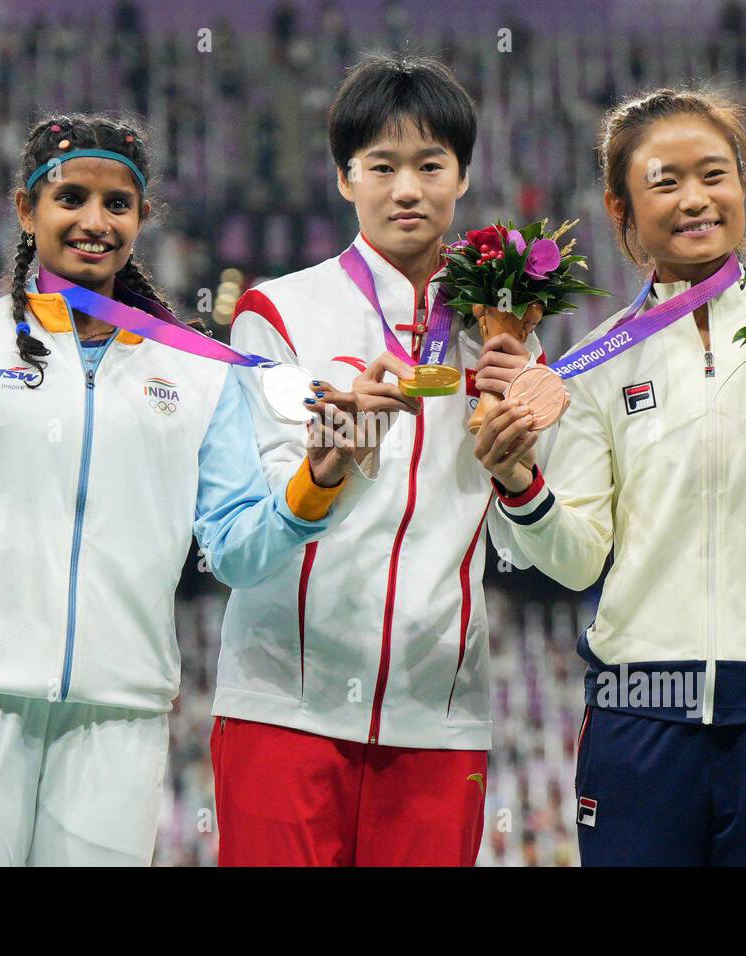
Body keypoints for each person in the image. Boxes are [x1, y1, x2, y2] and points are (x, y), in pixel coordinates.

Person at [0, 112, 365, 866]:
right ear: (25, 208)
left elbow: (235, 551)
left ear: (141, 218)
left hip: (120, 716)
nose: (94, 222)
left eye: (117, 204)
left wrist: (317, 480)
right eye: (70, 198)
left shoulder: (201, 371)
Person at [474, 87, 746, 866]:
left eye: (714, 173)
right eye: (664, 182)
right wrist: (521, 486)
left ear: (744, 183)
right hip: (640, 715)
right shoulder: (598, 361)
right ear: (621, 210)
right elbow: (576, 557)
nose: (696, 199)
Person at [211, 55, 547, 866]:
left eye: (431, 165)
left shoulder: (503, 338)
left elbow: (536, 539)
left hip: (439, 716)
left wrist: (520, 460)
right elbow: (243, 533)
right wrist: (326, 468)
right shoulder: (278, 313)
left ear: (462, 178)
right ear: (343, 178)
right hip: (284, 708)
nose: (408, 189)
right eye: (382, 166)